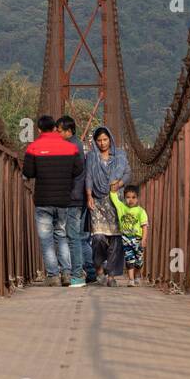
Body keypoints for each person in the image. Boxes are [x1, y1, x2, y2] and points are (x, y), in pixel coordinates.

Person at [22, 114, 81, 285]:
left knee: (46, 239)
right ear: (55, 128)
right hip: (63, 200)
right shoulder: (70, 147)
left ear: (39, 129)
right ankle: (67, 274)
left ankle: (53, 275)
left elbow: (29, 172)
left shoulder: (33, 147)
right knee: (61, 235)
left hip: (43, 200)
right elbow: (77, 170)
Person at [85, 125, 130, 287]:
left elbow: (127, 173)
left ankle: (111, 275)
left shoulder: (120, 156)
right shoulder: (91, 156)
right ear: (95, 142)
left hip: (115, 201)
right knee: (98, 237)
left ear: (110, 139)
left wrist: (120, 183)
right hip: (97, 201)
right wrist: (89, 195)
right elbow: (89, 176)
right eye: (99, 140)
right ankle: (99, 268)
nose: (102, 143)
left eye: (105, 139)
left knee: (115, 239)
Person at [56, 115, 87, 289]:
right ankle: (73, 272)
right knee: (71, 236)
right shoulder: (76, 145)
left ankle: (76, 275)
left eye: (59, 130)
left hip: (72, 198)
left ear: (69, 131)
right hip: (73, 196)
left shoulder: (71, 146)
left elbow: (69, 172)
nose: (57, 133)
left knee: (72, 237)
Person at [111, 184, 149, 286]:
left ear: (137, 198)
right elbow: (114, 198)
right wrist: (113, 189)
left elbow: (144, 226)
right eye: (128, 197)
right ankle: (131, 280)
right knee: (129, 259)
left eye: (133, 197)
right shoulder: (121, 208)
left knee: (139, 261)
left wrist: (144, 239)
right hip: (126, 238)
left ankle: (137, 275)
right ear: (124, 198)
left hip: (137, 239)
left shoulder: (141, 211)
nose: (130, 200)